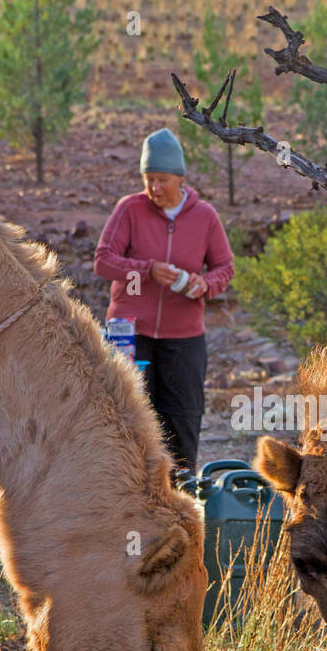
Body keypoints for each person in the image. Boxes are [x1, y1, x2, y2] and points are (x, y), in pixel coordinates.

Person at [94, 128, 234, 472]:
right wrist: (146, 270)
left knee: (182, 418)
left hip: (184, 337)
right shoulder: (129, 209)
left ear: (181, 178)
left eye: (162, 180)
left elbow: (225, 267)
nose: (155, 188)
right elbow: (103, 261)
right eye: (149, 179)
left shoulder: (205, 217)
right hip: (130, 333)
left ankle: (182, 497)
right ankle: (126, 499)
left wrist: (205, 285)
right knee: (129, 418)